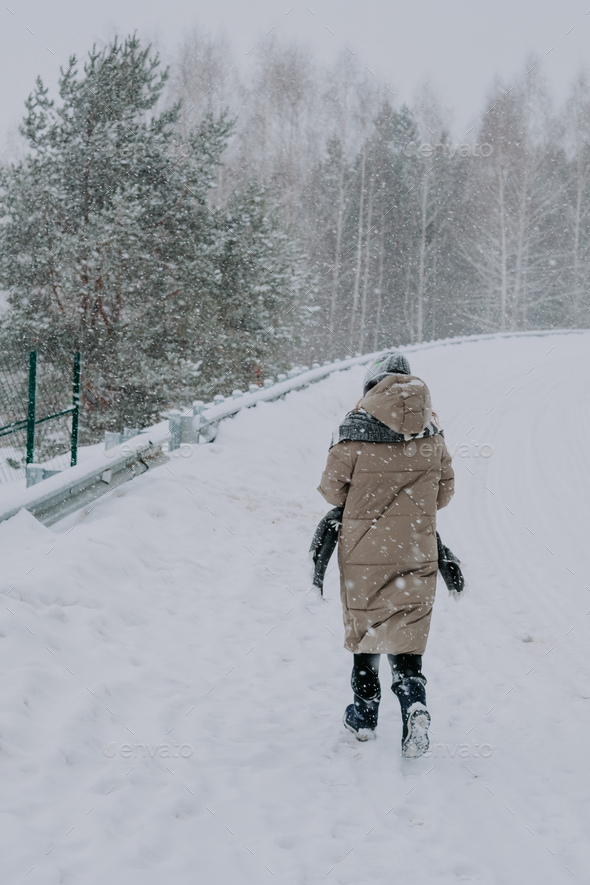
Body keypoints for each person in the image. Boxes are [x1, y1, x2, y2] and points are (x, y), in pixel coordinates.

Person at [317, 351, 455, 757]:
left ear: (371, 385)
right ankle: (414, 702)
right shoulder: (432, 431)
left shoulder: (353, 427)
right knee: (407, 633)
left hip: (363, 548)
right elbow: (444, 493)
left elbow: (331, 490)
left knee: (367, 633)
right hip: (415, 544)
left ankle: (363, 716)